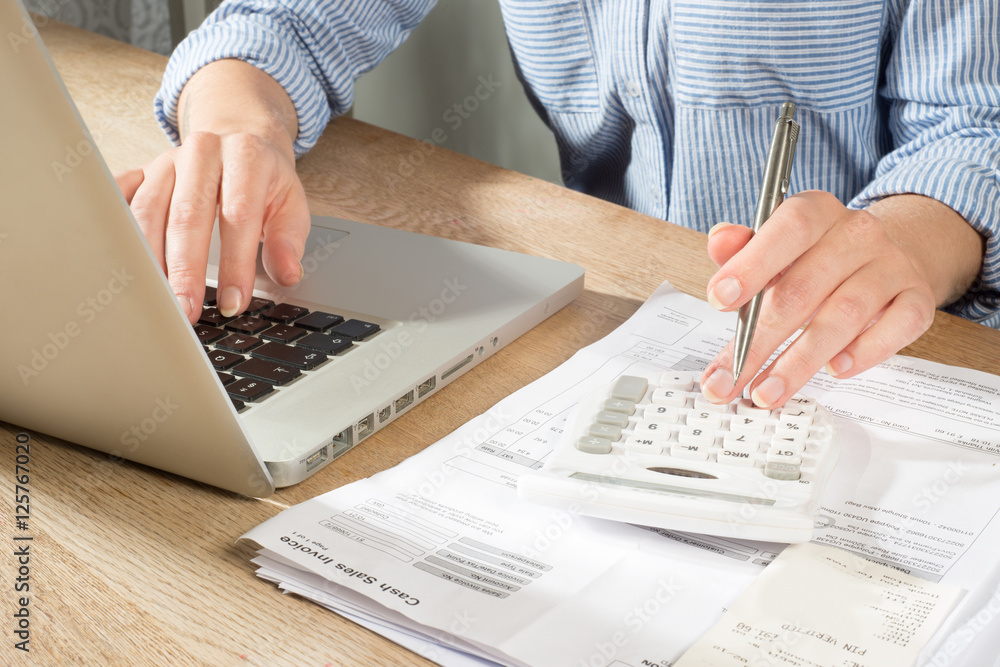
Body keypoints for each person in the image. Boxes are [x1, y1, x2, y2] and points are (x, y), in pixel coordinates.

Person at [115, 0, 999, 409]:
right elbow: (285, 21)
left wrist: (905, 242)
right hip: (629, 320)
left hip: (896, 364)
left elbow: (976, 129)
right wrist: (241, 124)